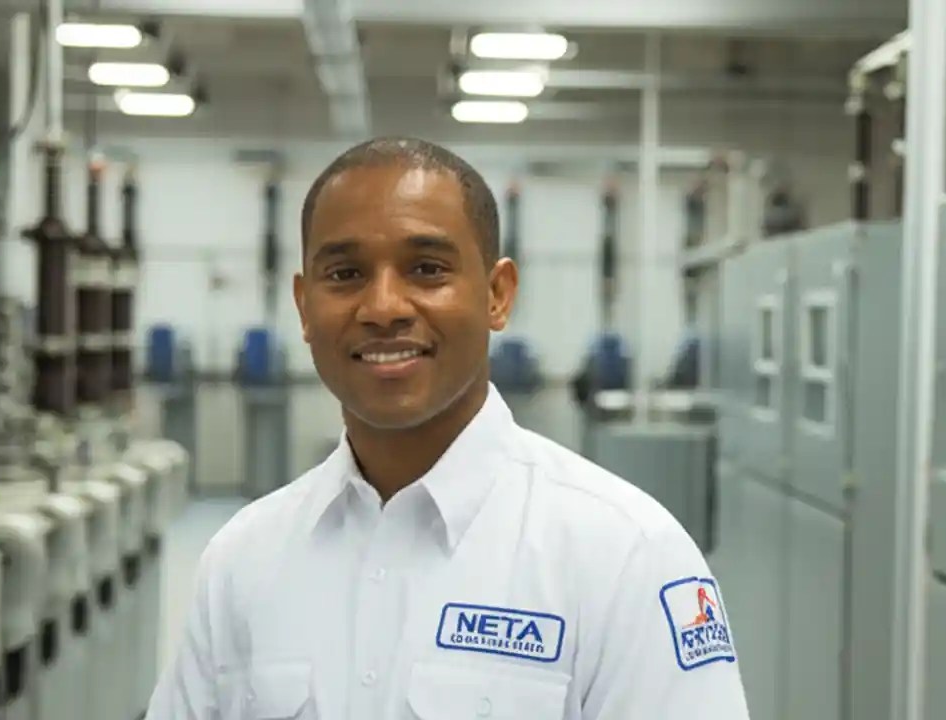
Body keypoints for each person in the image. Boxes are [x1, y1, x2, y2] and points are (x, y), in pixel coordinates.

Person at [145, 137, 751, 719]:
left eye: (427, 269)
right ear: (304, 308)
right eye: (345, 275)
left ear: (497, 294)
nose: (383, 307)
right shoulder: (242, 559)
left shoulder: (628, 557)